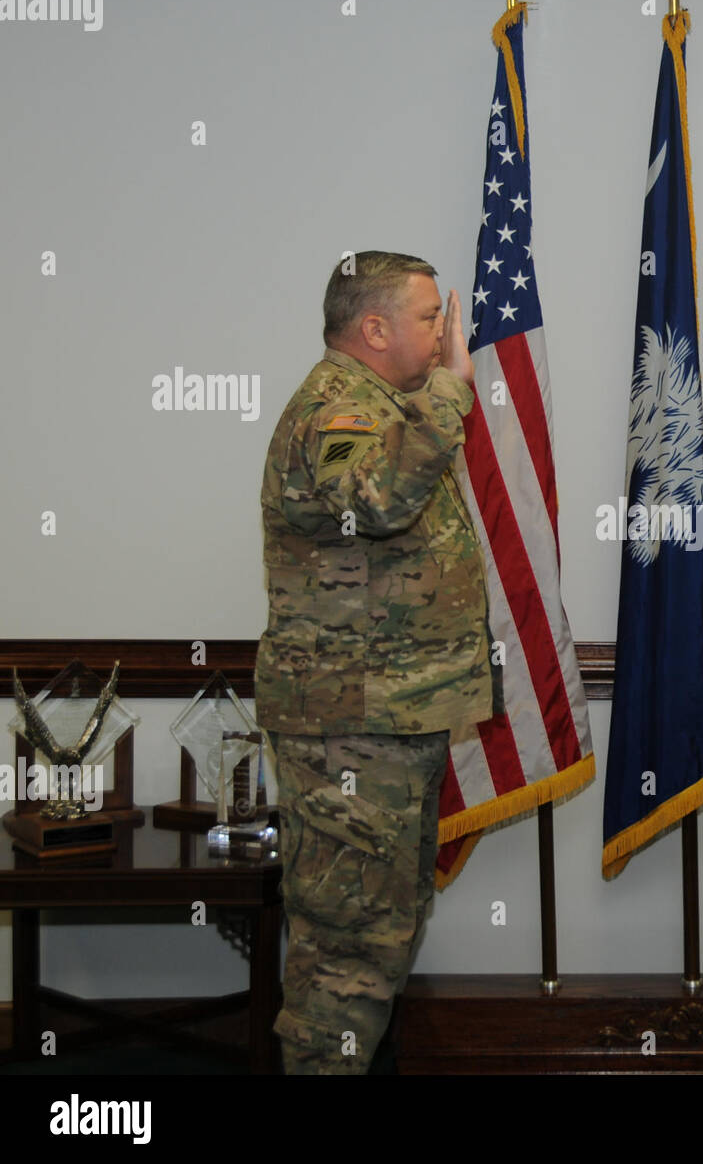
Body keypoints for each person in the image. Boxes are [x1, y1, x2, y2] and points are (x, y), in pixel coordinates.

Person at [255, 251, 498, 1074]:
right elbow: (377, 501)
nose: (445, 333)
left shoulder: (382, 406)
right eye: (431, 316)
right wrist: (451, 394)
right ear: (374, 328)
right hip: (349, 730)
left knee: (381, 940)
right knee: (346, 961)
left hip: (392, 718)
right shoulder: (335, 410)